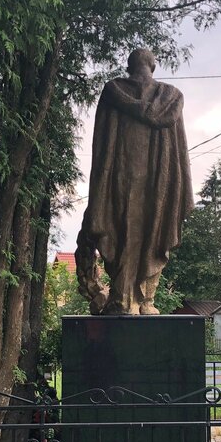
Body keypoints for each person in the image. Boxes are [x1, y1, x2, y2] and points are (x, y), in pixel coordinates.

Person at [74, 48, 192, 315]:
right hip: (157, 184)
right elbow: (177, 154)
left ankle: (121, 297)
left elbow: (102, 143)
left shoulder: (113, 91)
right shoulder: (170, 98)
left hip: (119, 178)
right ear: (153, 65)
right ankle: (145, 301)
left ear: (129, 67)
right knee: (154, 233)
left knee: (118, 229)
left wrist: (99, 187)